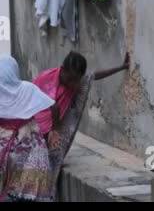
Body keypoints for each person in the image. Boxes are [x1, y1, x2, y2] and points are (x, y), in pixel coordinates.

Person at [32, 51, 130, 196]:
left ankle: (48, 190)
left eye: (76, 80)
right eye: (70, 79)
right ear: (62, 70)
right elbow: (45, 106)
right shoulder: (45, 79)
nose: (73, 84)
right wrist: (55, 129)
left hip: (56, 128)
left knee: (51, 165)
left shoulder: (77, 83)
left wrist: (121, 67)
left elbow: (94, 76)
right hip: (38, 128)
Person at [0, 56, 55, 202]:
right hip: (31, 147)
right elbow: (51, 104)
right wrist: (54, 129)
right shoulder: (27, 88)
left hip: (6, 153)